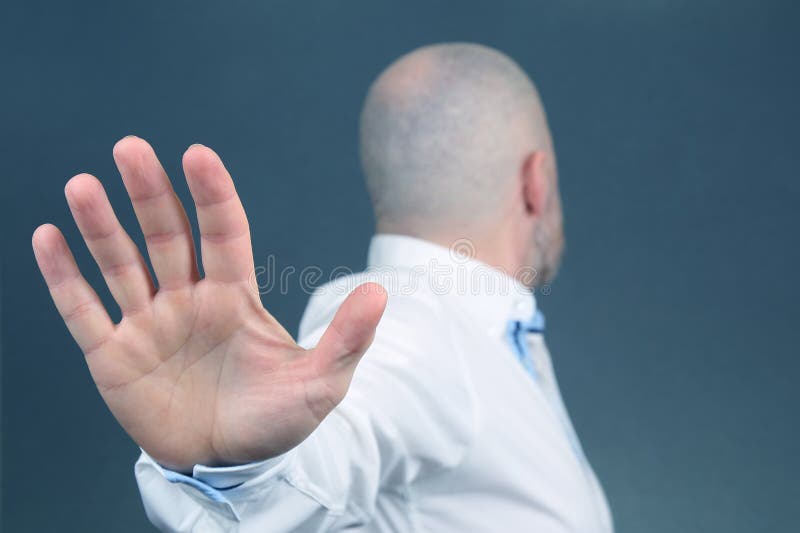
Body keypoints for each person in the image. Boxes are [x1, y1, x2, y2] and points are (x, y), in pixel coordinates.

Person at [32, 43, 613, 532]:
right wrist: (236, 465)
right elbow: (333, 446)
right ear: (536, 181)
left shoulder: (487, 333)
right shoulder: (410, 324)